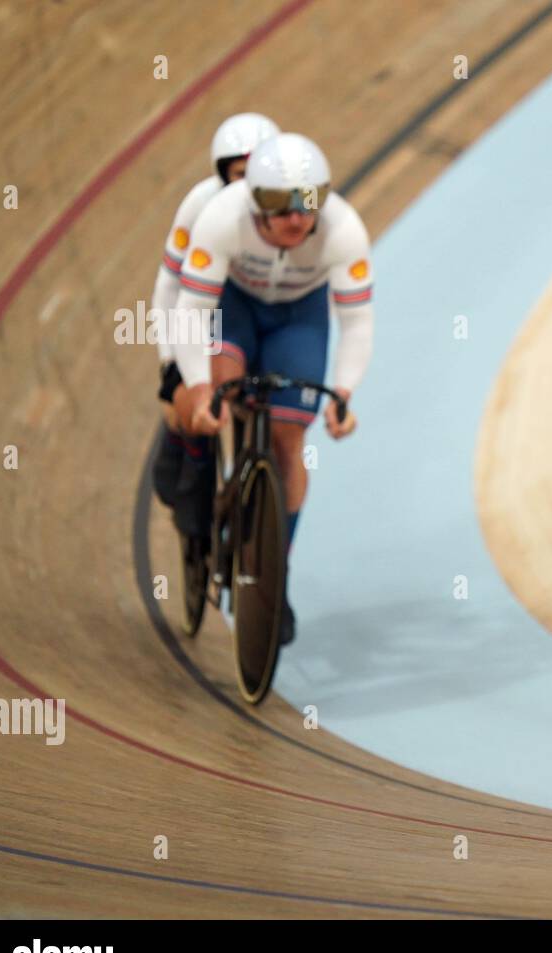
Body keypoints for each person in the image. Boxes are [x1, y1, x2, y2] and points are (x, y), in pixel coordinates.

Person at [170, 133, 374, 644]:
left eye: (307, 204)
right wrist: (199, 389)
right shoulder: (222, 218)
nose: (297, 218)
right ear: (254, 202)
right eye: (280, 206)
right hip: (236, 307)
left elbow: (357, 321)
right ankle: (206, 482)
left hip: (299, 317)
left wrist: (344, 394)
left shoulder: (344, 229)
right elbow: (192, 312)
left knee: (288, 438)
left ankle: (272, 573)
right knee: (223, 388)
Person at [151, 113, 280, 514]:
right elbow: (170, 284)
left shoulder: (287, 207)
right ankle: (187, 447)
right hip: (206, 309)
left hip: (254, 313)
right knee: (191, 397)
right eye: (242, 174)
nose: (251, 185)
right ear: (223, 177)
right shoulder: (200, 204)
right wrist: (171, 360)